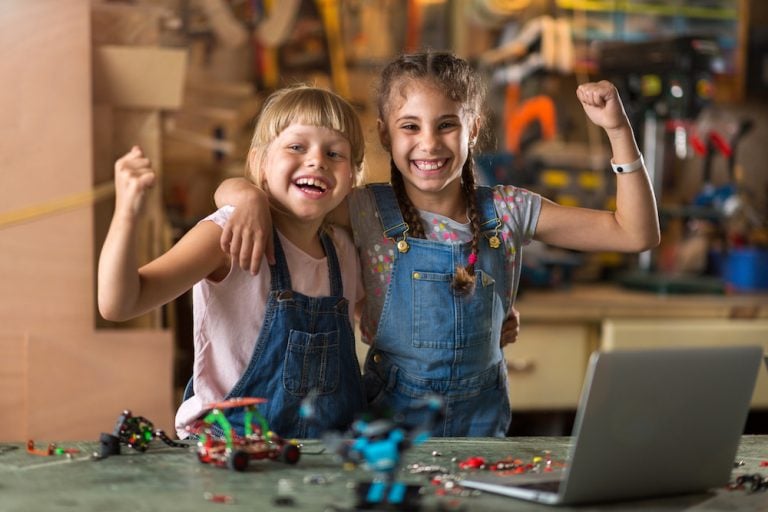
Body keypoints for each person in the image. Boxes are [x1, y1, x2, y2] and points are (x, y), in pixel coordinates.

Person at [213, 52, 660, 437]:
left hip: (482, 426)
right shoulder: (364, 208)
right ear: (385, 134)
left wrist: (619, 132)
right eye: (410, 126)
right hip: (388, 425)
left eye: (447, 125)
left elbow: (634, 233)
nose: (429, 143)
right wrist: (244, 195)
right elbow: (280, 195)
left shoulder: (508, 209)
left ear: (474, 128)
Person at [98, 85, 368, 439]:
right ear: (260, 163)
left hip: (322, 456)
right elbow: (120, 304)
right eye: (296, 147)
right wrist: (126, 212)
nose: (317, 160)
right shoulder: (225, 236)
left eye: (334, 153)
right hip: (230, 447)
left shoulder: (344, 252)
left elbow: (377, 324)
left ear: (353, 178)